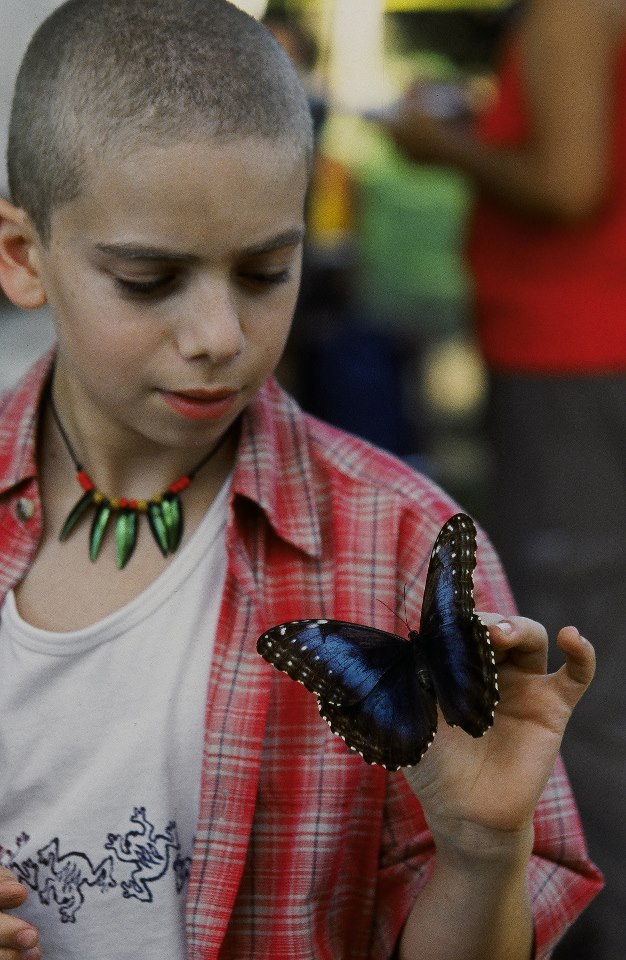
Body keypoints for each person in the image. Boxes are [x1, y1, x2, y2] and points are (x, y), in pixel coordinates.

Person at [0, 2, 602, 958]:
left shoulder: (403, 541)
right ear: (25, 258)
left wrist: (482, 850)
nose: (219, 338)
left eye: (266, 271)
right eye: (149, 281)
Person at [379, 1, 625, 955]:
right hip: (583, 358)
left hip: (571, 358)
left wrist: (438, 144)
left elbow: (568, 183)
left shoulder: (572, 8)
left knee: (575, 658)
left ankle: (594, 925)